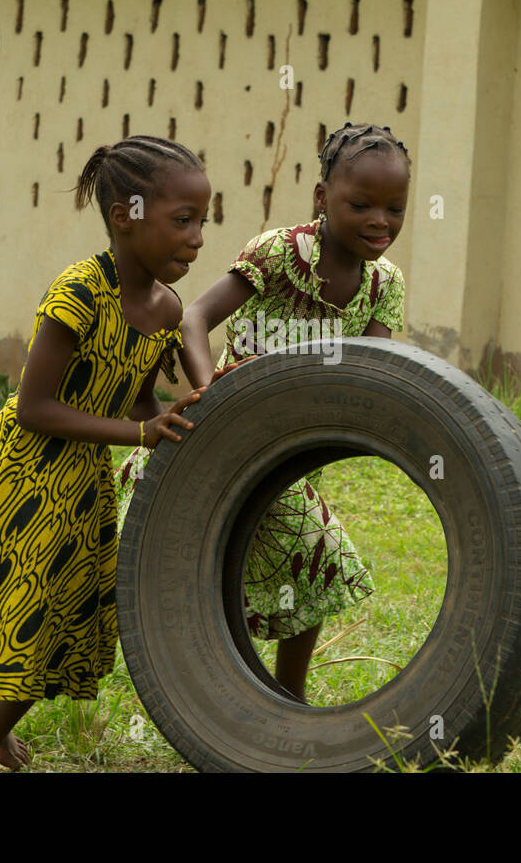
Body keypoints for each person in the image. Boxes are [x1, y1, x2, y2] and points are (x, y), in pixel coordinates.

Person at [115, 121, 410, 704]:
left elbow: (368, 376)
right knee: (122, 587)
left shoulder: (384, 286)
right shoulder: (280, 253)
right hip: (217, 439)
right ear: (323, 199)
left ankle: (283, 702)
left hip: (293, 456)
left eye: (395, 208)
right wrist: (212, 392)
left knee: (303, 572)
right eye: (361, 205)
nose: (380, 221)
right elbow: (194, 318)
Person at [0, 135, 211, 772]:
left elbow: (140, 396)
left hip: (85, 470)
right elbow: (37, 406)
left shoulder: (168, 310)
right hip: (30, 463)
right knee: (30, 605)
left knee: (64, 605)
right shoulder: (79, 293)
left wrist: (177, 428)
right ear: (126, 217)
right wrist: (142, 435)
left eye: (203, 221)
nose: (197, 237)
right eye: (182, 221)